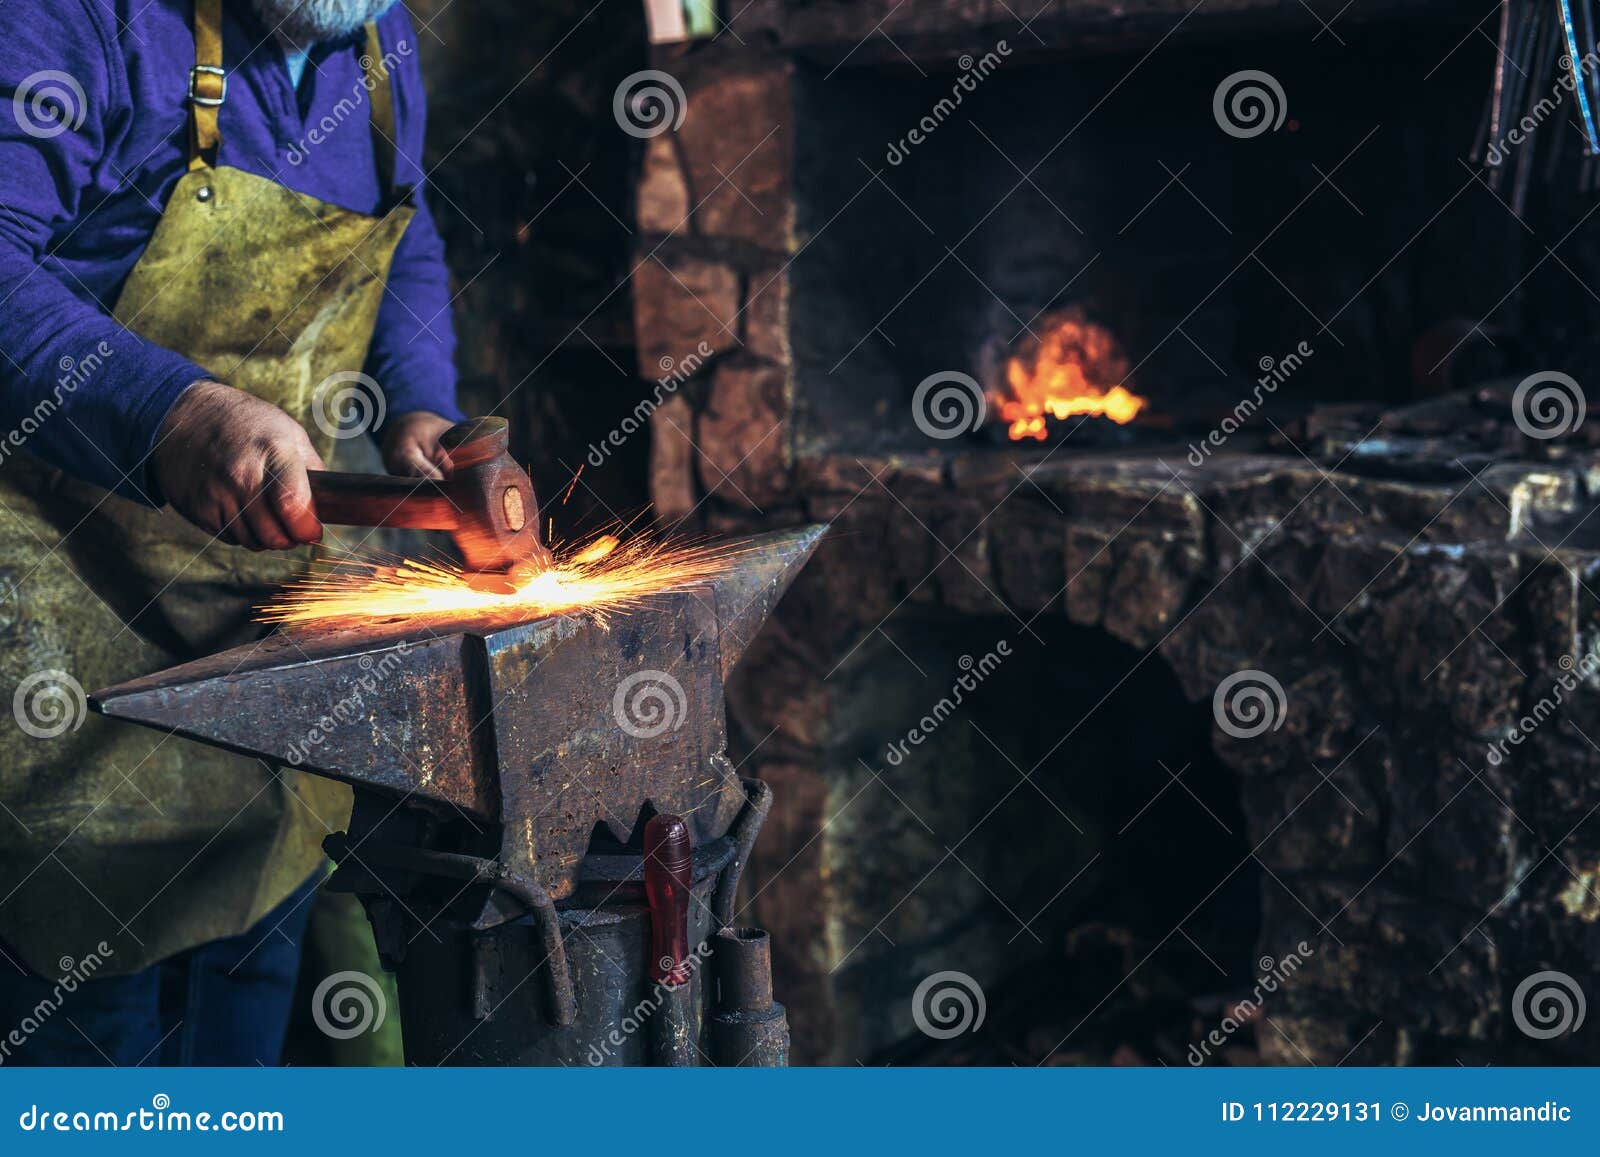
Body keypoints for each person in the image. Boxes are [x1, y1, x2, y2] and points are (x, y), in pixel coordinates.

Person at [0, 0, 461, 1064]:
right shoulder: (78, 19)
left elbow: (411, 229)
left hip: (260, 663)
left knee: (238, 1048)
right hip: (57, 658)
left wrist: (422, 402)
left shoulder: (377, 44)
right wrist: (173, 410)